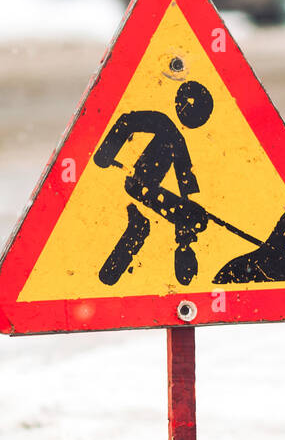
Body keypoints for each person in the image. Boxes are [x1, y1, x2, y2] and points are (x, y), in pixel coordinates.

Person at [92, 80, 214, 286]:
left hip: (141, 186)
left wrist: (189, 205)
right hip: (135, 183)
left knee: (185, 219)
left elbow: (185, 176)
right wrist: (104, 154)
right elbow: (126, 122)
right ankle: (112, 270)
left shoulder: (174, 136)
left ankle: (114, 269)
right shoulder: (166, 127)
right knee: (162, 219)